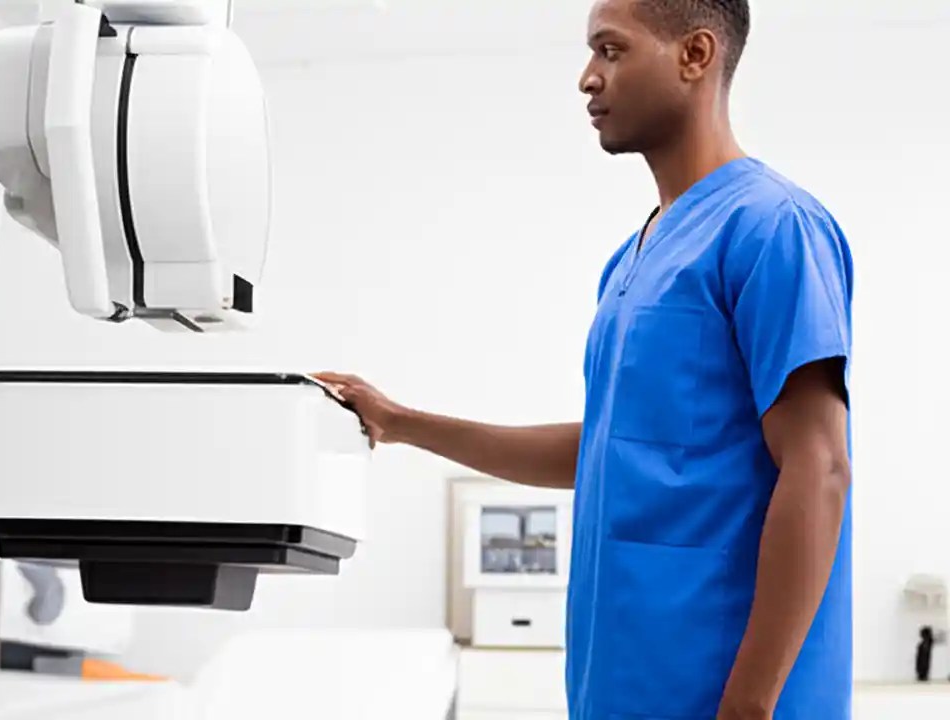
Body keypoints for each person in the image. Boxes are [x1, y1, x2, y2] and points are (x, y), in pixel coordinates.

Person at [315, 0, 854, 718]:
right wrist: (401, 421)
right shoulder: (629, 263)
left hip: (726, 694)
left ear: (695, 56)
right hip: (621, 686)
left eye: (611, 50)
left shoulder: (770, 228)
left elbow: (819, 469)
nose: (586, 78)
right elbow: (607, 450)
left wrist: (750, 707)